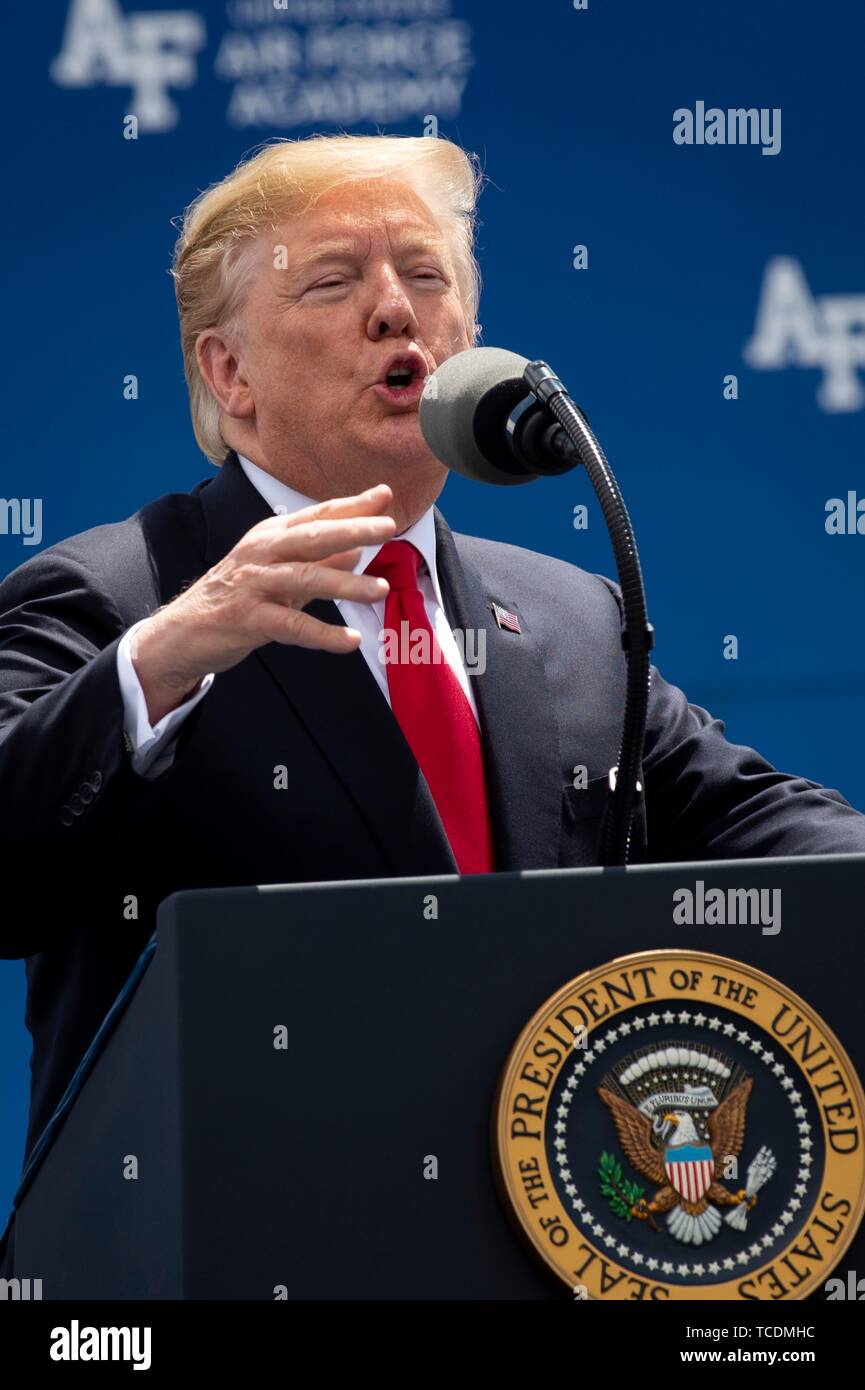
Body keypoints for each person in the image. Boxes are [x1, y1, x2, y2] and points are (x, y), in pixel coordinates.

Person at [1, 134, 863, 1275]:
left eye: (426, 277)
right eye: (333, 280)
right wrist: (159, 661)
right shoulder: (120, 595)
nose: (394, 312)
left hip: (548, 1252)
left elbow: (770, 829)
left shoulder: (570, 617)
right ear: (228, 374)